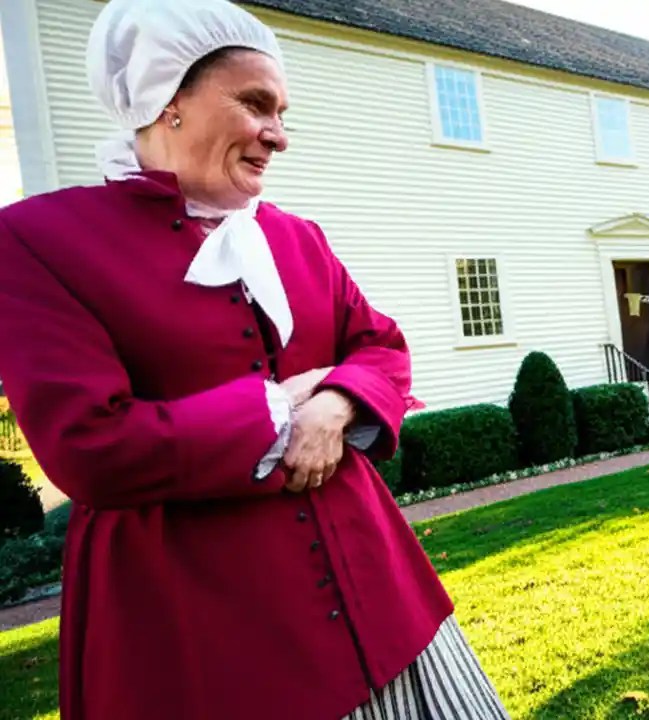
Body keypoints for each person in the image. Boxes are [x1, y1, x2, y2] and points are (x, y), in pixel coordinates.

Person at [0, 1, 509, 718]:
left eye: (282, 110)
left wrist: (332, 405)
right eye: (255, 104)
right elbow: (89, 445)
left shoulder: (296, 237)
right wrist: (273, 408)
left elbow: (381, 347)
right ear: (167, 100)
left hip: (386, 606)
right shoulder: (40, 242)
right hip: (208, 639)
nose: (279, 135)